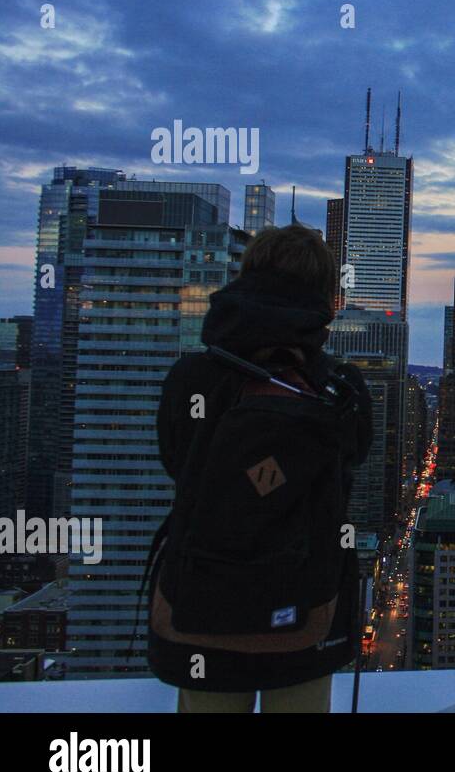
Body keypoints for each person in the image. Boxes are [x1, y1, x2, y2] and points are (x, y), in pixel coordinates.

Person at [146, 223, 371, 712]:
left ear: (247, 276)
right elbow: (351, 465)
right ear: (325, 296)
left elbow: (177, 464)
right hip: (304, 606)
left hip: (203, 598)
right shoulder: (339, 387)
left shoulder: (191, 377)